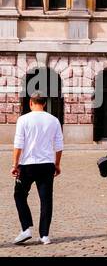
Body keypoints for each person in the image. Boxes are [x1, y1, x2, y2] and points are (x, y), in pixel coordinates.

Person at [11, 94, 63, 245]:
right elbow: (59, 145)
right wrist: (57, 164)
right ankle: (44, 235)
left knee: (19, 195)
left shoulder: (23, 119)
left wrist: (15, 165)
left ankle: (26, 228)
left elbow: (18, 144)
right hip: (47, 164)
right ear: (44, 104)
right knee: (46, 200)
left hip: (27, 164)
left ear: (30, 103)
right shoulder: (53, 120)